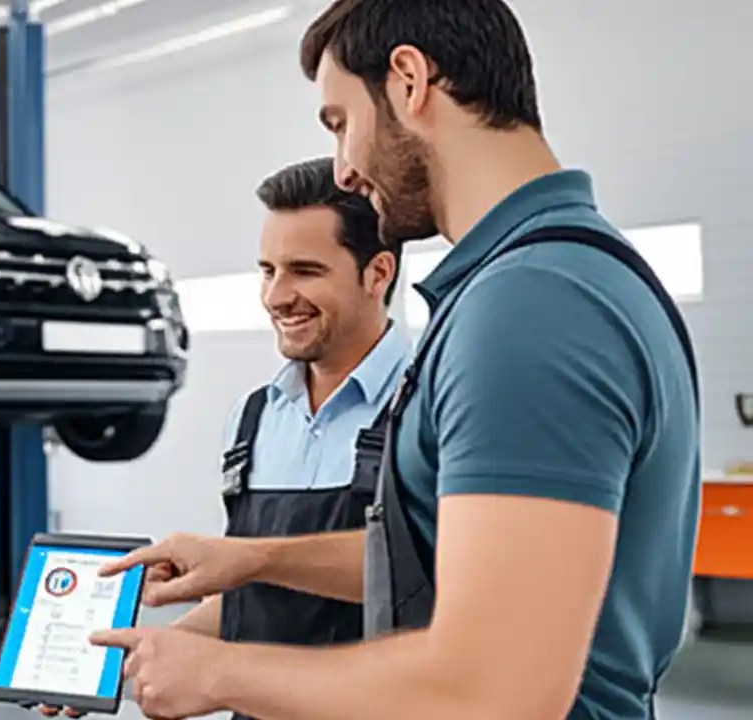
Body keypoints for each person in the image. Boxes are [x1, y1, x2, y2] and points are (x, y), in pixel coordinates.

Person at [89, 1, 701, 719]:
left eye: (340, 123)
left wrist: (222, 673)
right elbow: (441, 563)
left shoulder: (529, 306)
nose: (344, 171)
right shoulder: (553, 277)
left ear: (409, 81)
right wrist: (256, 561)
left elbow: (495, 689)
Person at [38, 158, 406, 719]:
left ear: (377, 273)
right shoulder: (254, 417)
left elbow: (426, 576)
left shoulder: (426, 406)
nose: (278, 296)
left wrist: (246, 558)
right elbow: (250, 596)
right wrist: (137, 654)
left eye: (305, 271)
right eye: (267, 270)